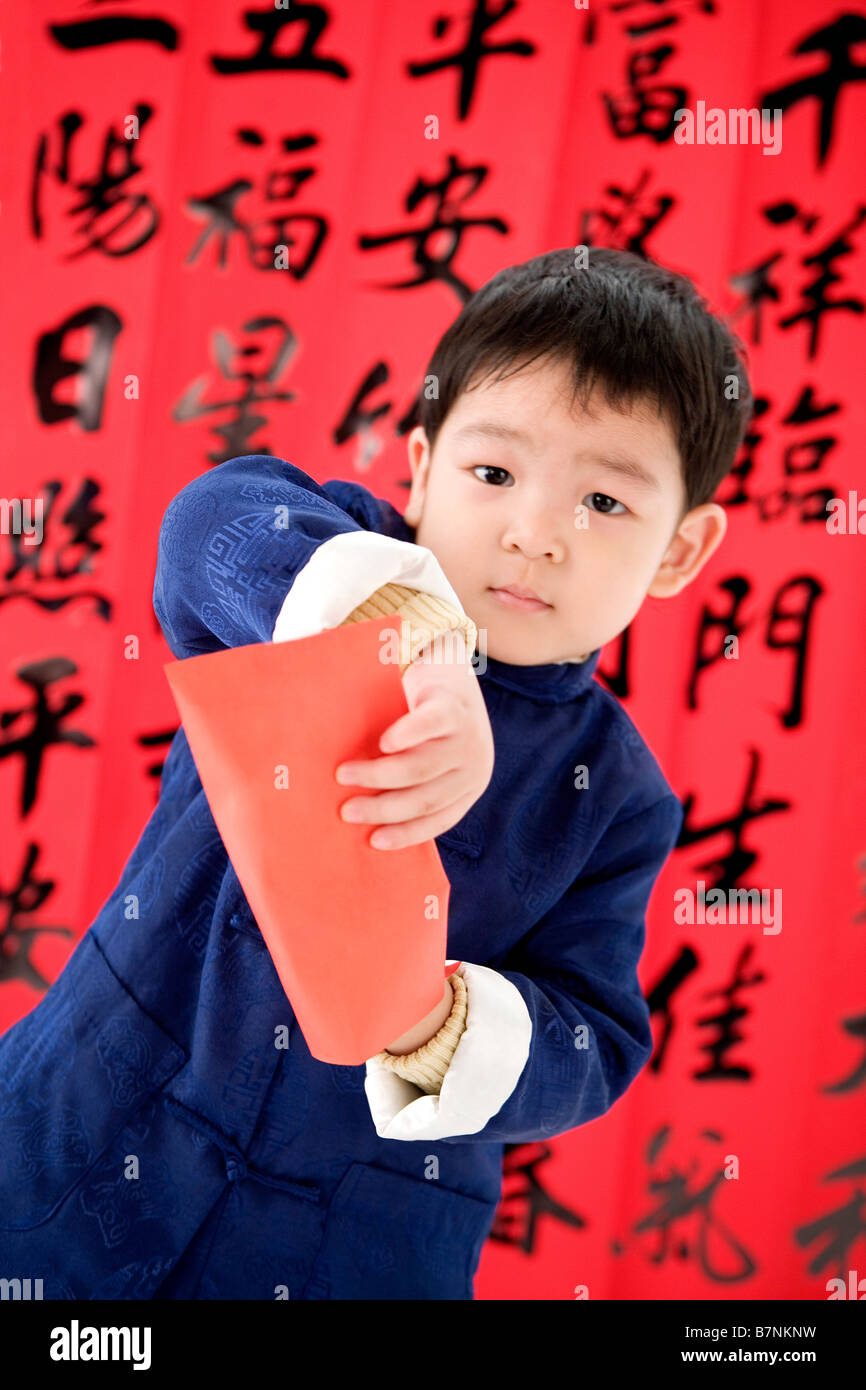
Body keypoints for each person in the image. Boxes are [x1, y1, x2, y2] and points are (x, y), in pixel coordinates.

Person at [0, 247, 753, 1300]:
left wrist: (446, 1027)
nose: (533, 532)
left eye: (605, 503)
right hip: (89, 1122)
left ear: (680, 550)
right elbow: (204, 524)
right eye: (492, 474)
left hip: (351, 1235)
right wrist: (404, 639)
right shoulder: (324, 572)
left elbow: (594, 1034)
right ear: (419, 466)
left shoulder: (616, 798)